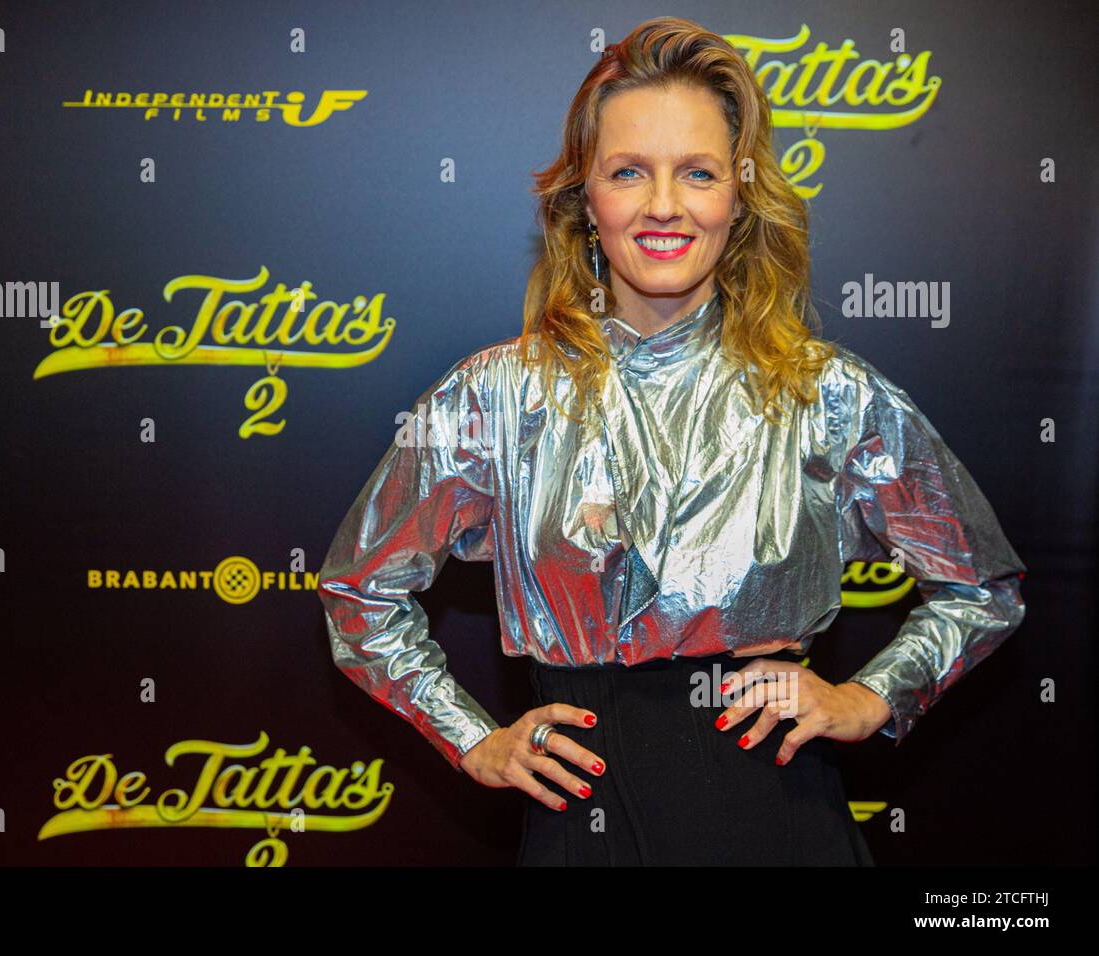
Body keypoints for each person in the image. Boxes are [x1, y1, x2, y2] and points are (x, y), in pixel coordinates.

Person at [316, 16, 1026, 865]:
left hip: (781, 818)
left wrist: (873, 695)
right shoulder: (494, 397)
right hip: (582, 820)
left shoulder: (827, 394)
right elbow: (359, 591)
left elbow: (983, 588)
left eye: (697, 173)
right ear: (585, 199)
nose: (663, 206)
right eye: (628, 172)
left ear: (739, 194)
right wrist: (472, 736)